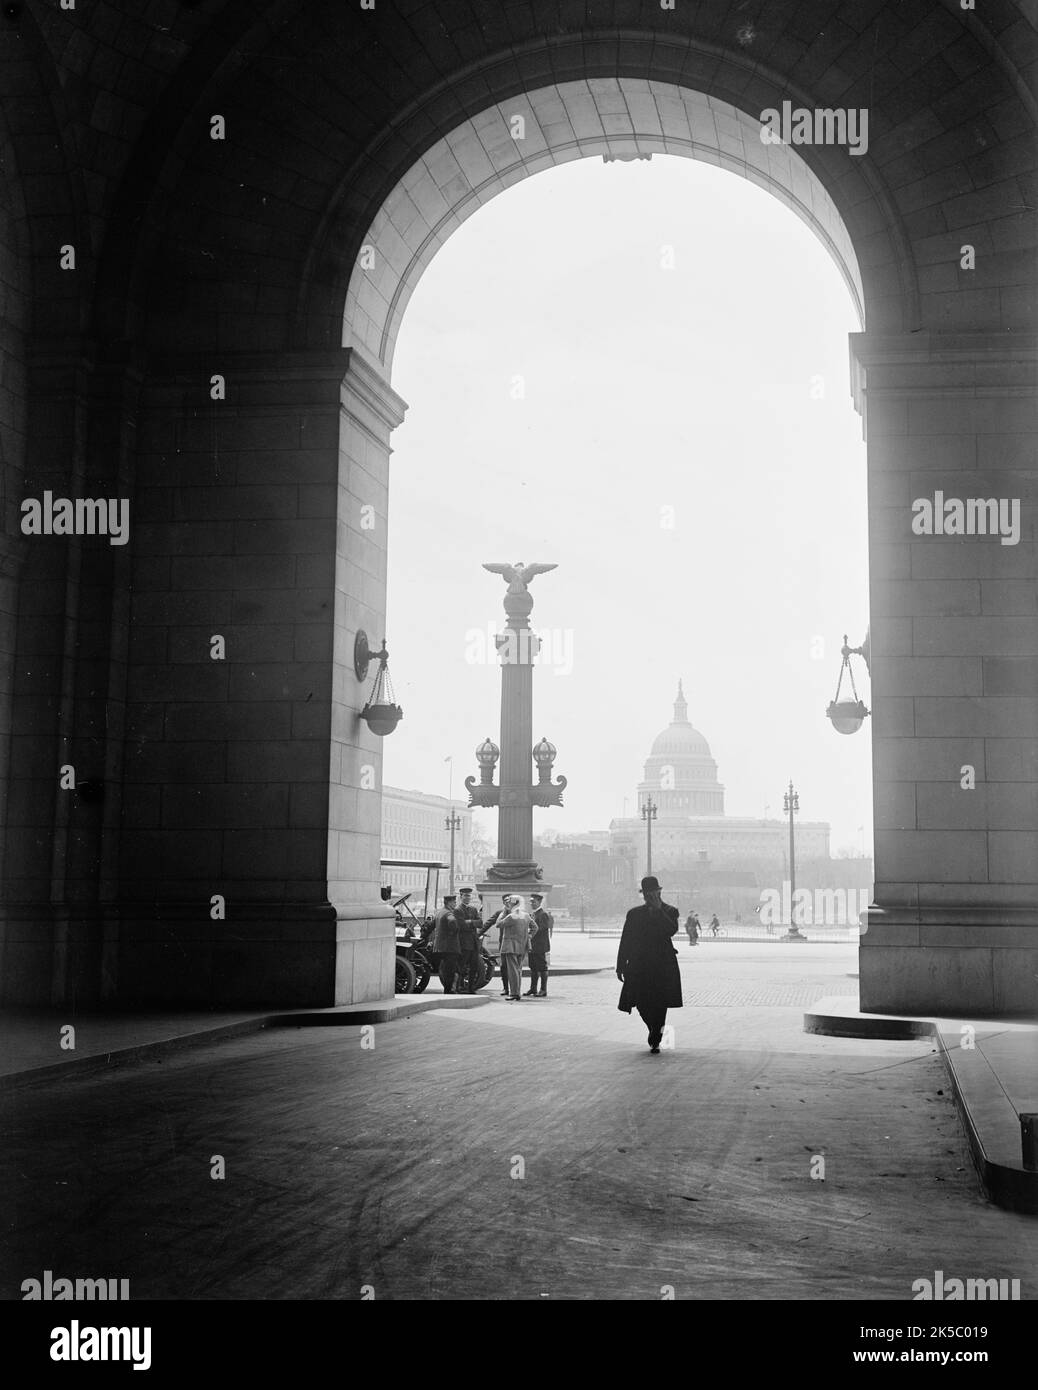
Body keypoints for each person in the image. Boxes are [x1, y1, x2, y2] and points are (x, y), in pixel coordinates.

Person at [616, 875, 683, 1052]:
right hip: (639, 965)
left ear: (659, 892)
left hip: (662, 965)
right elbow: (626, 940)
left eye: (654, 892)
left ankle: (656, 1036)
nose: (650, 896)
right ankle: (653, 1028)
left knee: (660, 1004)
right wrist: (620, 965)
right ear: (644, 895)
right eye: (647, 893)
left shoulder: (670, 911)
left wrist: (658, 910)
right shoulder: (634, 914)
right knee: (640, 1001)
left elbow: (670, 930)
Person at [498, 894, 532, 1001]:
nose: (508, 904)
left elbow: (498, 924)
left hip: (510, 947)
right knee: (518, 970)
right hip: (522, 946)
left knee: (512, 971)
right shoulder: (526, 916)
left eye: (510, 903)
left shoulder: (511, 917)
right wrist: (528, 937)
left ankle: (514, 993)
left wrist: (503, 912)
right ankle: (517, 991)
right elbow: (535, 927)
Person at [455, 887, 483, 994]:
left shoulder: (473, 909)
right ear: (461, 896)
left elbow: (480, 923)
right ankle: (458, 987)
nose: (467, 898)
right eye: (465, 896)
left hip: (474, 943)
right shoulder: (458, 910)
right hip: (464, 943)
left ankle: (471, 988)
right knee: (461, 967)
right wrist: (473, 923)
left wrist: (470, 921)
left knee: (474, 967)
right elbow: (461, 925)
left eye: (469, 896)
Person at [524, 892, 554, 996]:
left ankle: (543, 989)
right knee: (533, 967)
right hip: (533, 945)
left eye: (534, 901)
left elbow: (542, 928)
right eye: (531, 902)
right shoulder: (533, 914)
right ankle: (533, 989)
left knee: (542, 967)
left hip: (540, 945)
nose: (532, 903)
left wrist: (530, 930)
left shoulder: (543, 914)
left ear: (539, 902)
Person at [431, 893, 461, 992]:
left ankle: (449, 988)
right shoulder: (449, 913)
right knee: (450, 971)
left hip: (440, 947)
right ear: (449, 903)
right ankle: (448, 990)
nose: (455, 904)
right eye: (454, 902)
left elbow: (431, 926)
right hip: (450, 947)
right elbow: (452, 922)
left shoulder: (439, 912)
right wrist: (454, 932)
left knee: (446, 969)